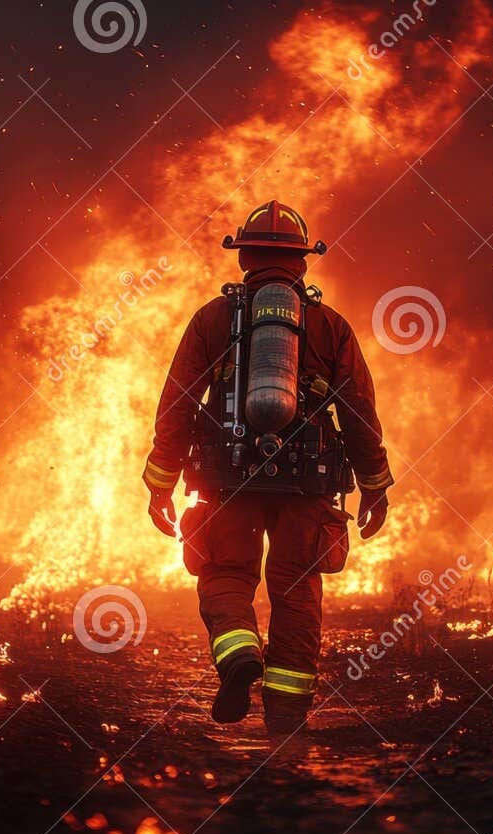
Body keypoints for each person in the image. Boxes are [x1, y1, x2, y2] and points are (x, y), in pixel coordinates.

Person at [142, 201, 393, 735]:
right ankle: (285, 718)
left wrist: (160, 482)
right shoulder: (329, 328)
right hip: (307, 487)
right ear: (303, 262)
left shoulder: (213, 319)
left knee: (226, 575)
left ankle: (238, 656)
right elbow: (359, 414)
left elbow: (178, 403)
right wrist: (375, 487)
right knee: (297, 592)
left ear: (244, 257)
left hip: (227, 479)